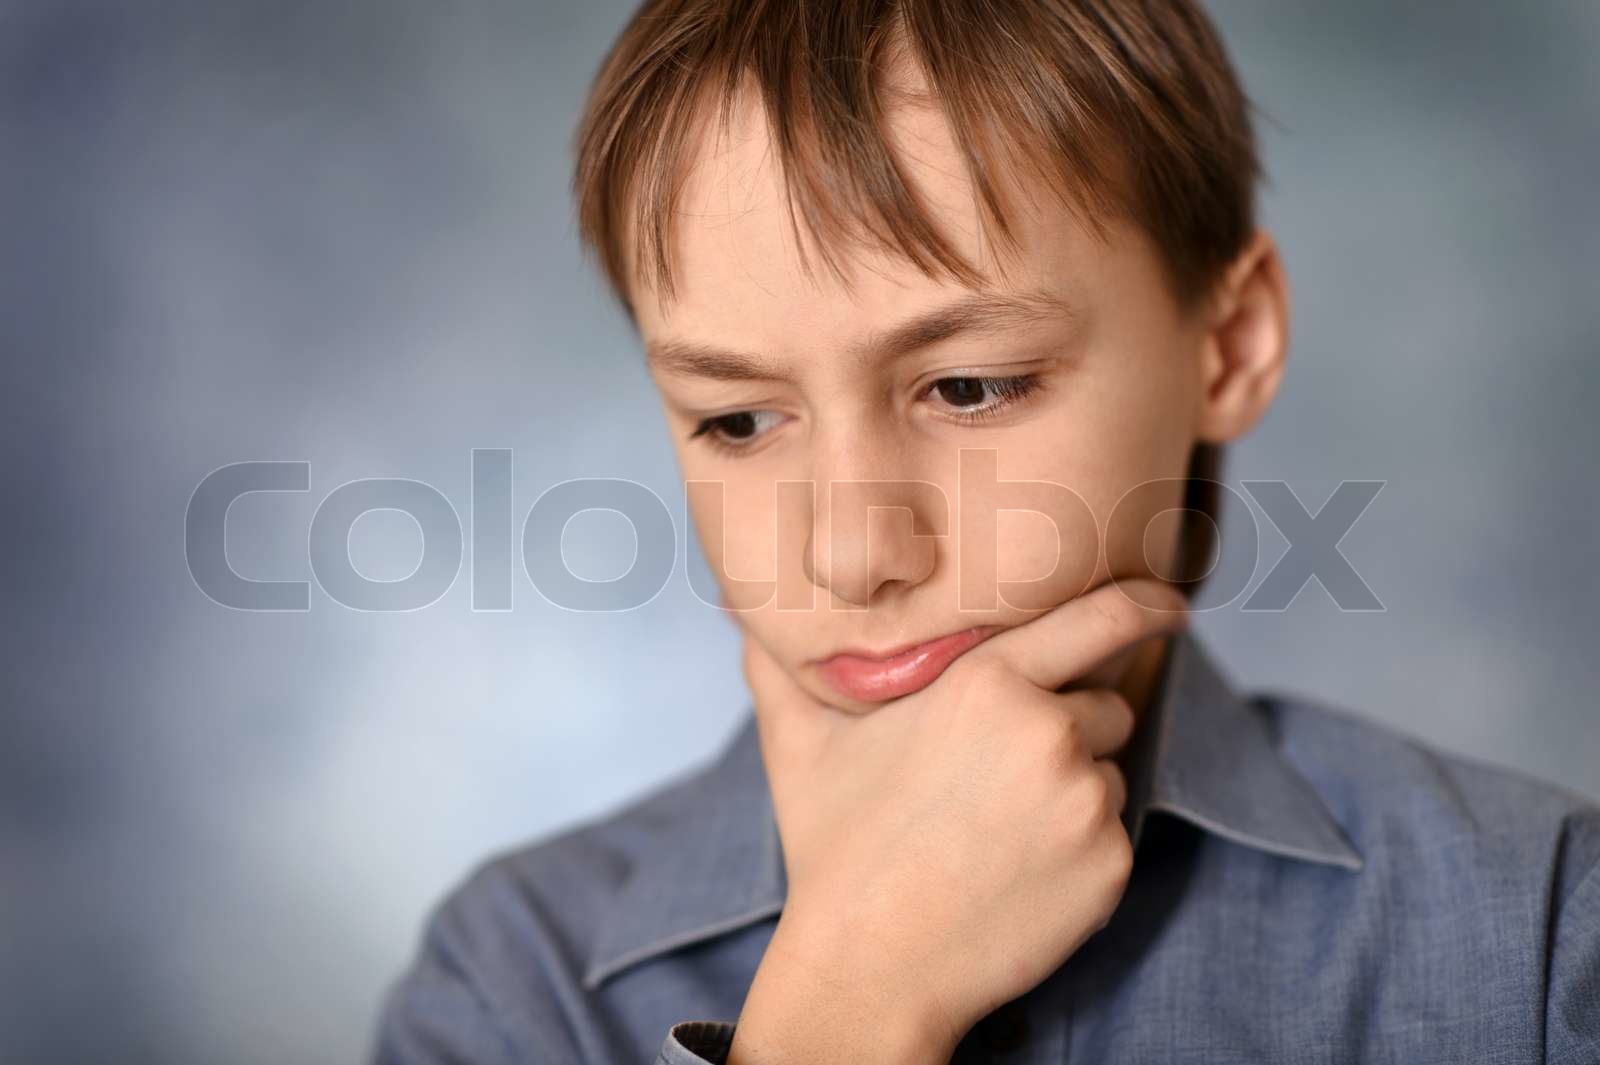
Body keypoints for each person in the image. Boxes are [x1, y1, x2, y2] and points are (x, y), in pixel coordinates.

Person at [373, 1, 1600, 1061]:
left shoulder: (1541, 932)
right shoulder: (516, 985)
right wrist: (844, 1015)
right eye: (739, 419)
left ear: (1227, 346)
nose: (849, 554)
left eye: (969, 387)